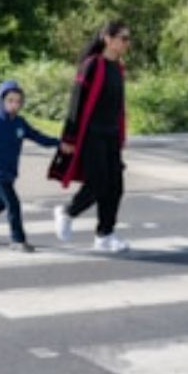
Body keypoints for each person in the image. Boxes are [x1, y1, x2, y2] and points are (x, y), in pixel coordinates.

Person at [53, 20, 132, 253]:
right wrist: (69, 138)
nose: (127, 43)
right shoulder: (92, 65)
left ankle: (105, 235)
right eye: (123, 38)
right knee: (98, 183)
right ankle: (67, 212)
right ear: (107, 38)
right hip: (90, 134)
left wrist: (121, 134)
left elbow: (118, 106)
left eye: (128, 39)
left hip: (111, 135)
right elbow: (75, 104)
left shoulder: (118, 68)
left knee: (116, 186)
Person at [0, 79, 59, 252]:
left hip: (10, 170)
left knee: (0, 204)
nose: (14, 104)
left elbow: (38, 137)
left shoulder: (20, 123)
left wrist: (59, 143)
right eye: (10, 100)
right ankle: (17, 240)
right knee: (13, 204)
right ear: (1, 101)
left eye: (18, 101)